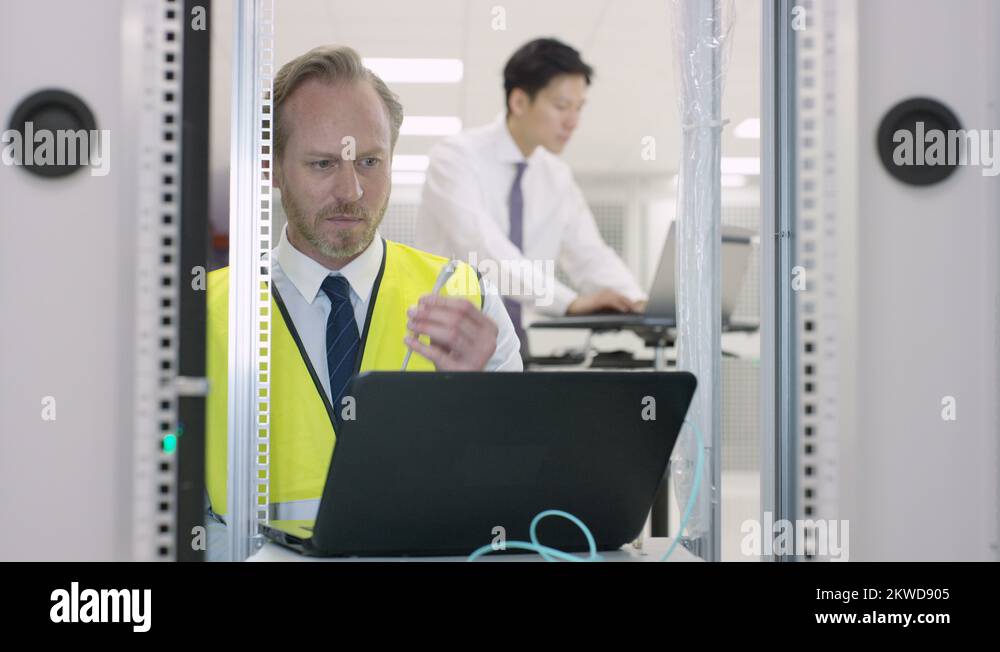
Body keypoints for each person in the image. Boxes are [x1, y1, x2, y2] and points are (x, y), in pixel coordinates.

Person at [205, 45, 521, 522]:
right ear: (271, 168)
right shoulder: (205, 310)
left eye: (369, 162)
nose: (351, 192)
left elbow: (518, 488)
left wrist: (474, 399)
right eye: (322, 164)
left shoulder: (464, 295)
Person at [416, 38, 646, 356]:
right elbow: (486, 253)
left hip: (514, 342)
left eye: (579, 108)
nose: (573, 122)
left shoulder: (556, 177)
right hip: (447, 341)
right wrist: (569, 303)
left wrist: (636, 301)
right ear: (519, 101)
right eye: (562, 106)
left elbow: (590, 254)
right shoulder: (455, 159)